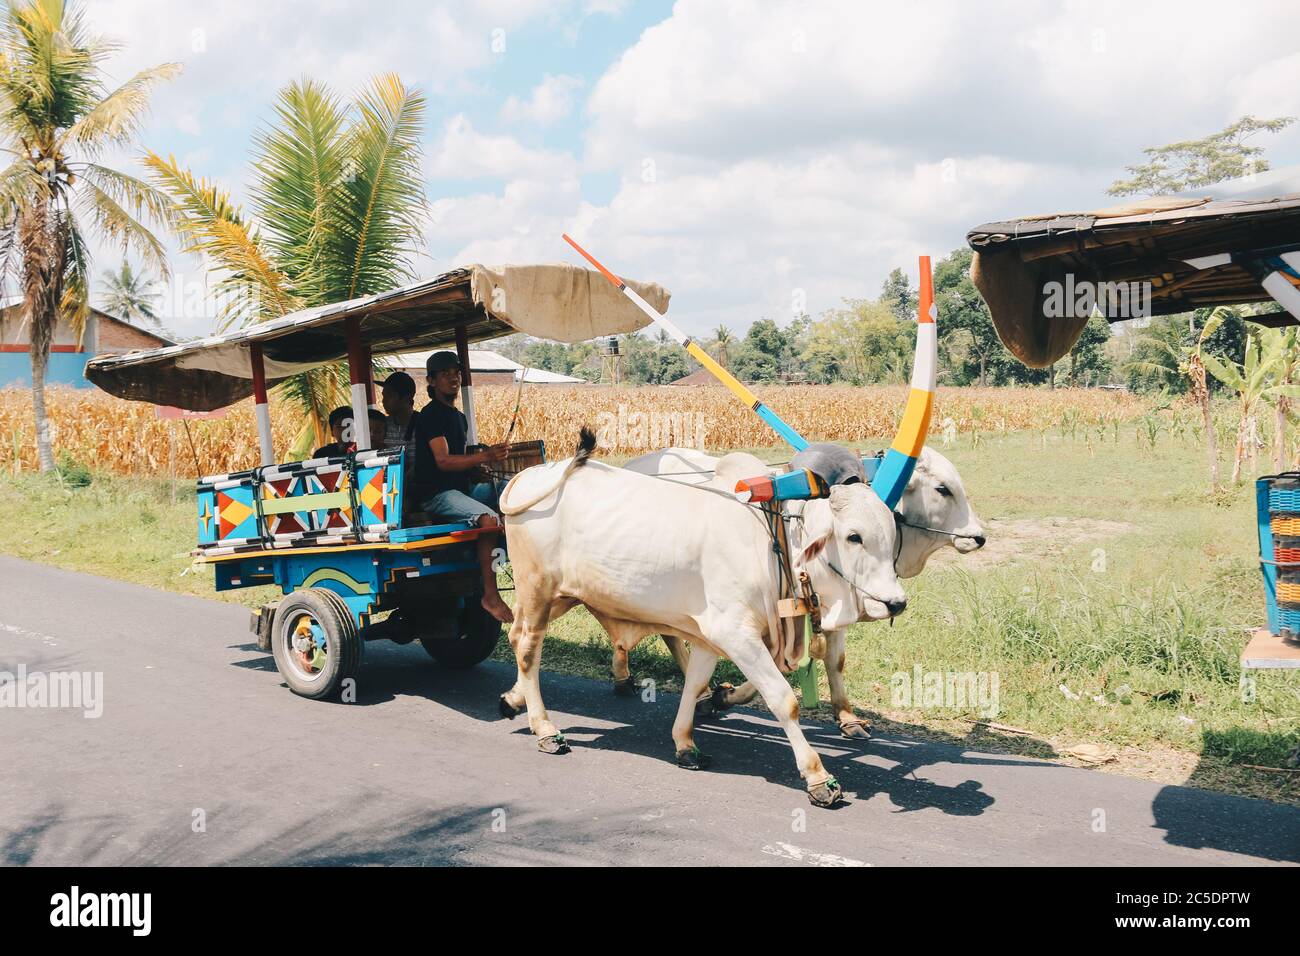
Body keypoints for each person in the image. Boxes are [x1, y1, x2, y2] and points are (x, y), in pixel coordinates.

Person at [413, 350, 513, 624]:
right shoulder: (430, 415)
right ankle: (490, 596)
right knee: (490, 519)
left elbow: (460, 461)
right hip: (437, 495)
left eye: (455, 373)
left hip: (460, 489)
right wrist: (486, 456)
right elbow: (443, 461)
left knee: (511, 488)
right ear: (431, 381)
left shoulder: (458, 417)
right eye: (444, 374)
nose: (453, 378)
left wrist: (476, 469)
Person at [376, 370, 418, 468]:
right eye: (383, 395)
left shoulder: (423, 424)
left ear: (406, 398)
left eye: (389, 395)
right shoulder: (383, 425)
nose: (383, 400)